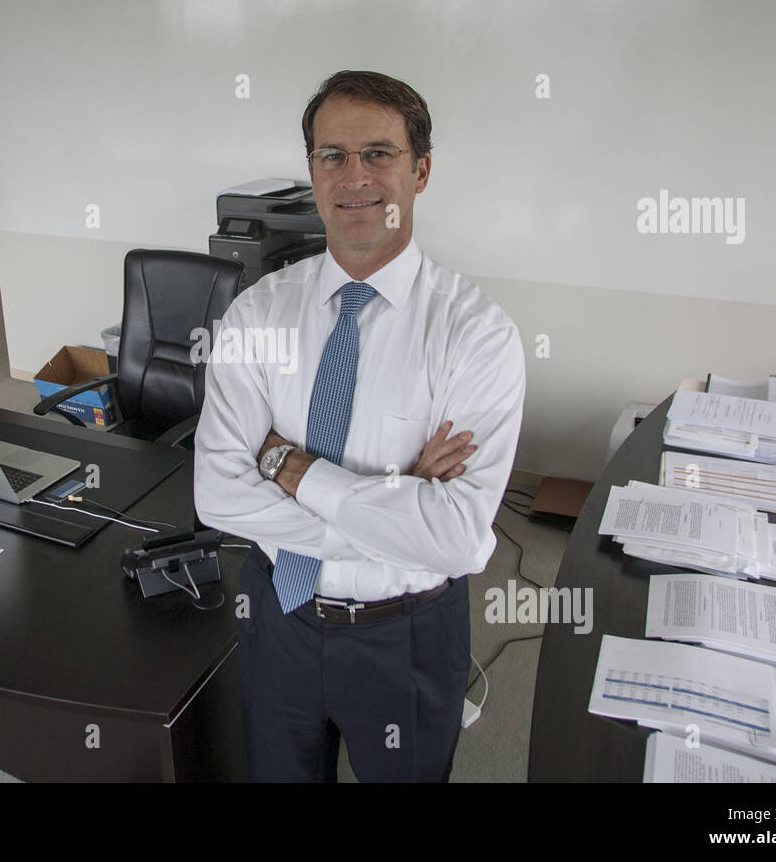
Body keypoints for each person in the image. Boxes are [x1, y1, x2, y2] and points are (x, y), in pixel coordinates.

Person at [193, 70, 526, 782]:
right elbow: (218, 498)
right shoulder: (258, 314)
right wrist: (400, 501)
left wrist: (294, 469)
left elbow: (459, 537)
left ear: (421, 170)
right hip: (279, 614)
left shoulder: (476, 334)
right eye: (332, 156)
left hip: (406, 634)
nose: (355, 177)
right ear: (312, 170)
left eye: (379, 153)